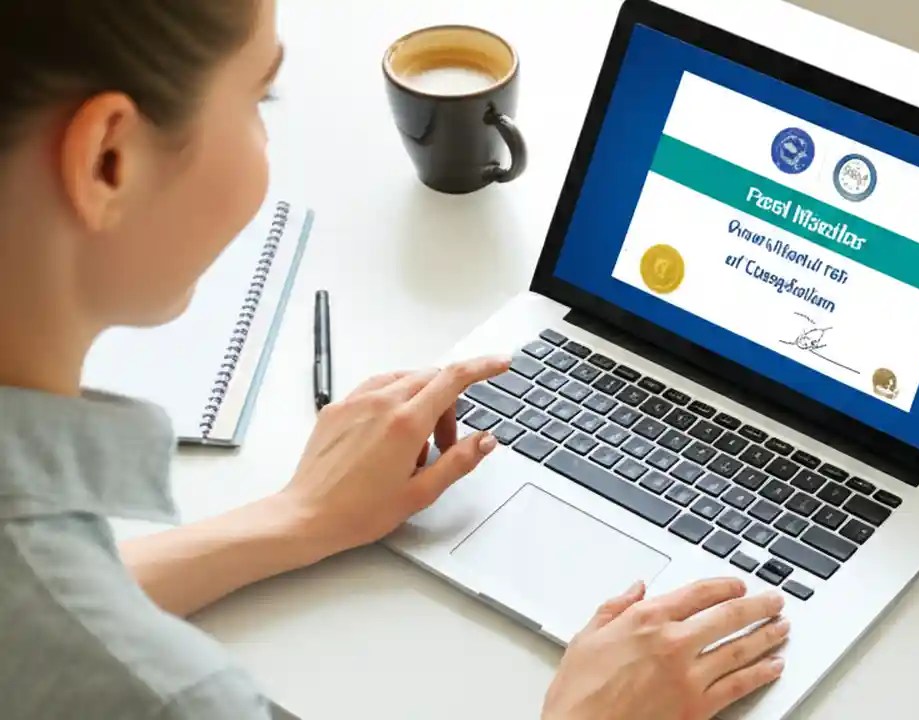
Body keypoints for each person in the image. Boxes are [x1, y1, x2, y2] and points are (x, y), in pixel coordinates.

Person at [0, 1, 793, 718]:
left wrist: (289, 520)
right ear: (111, 159)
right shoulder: (169, 694)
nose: (267, 140)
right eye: (255, 100)